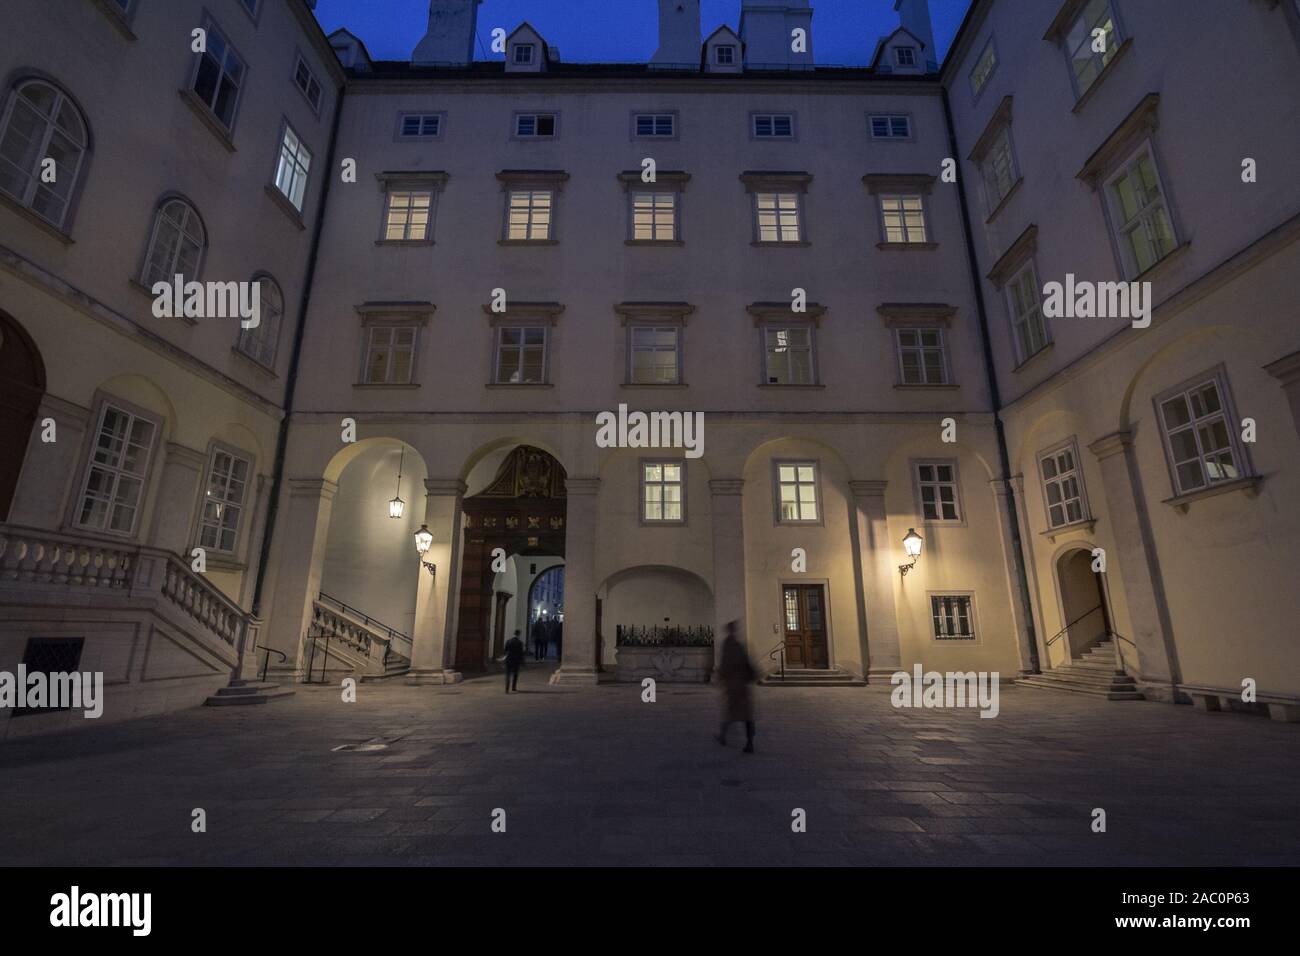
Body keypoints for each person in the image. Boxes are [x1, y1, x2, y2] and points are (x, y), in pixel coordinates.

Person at [716, 620, 757, 753]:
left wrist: (721, 679)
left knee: (733, 713)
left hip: (734, 686)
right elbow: (747, 663)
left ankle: (726, 736)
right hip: (740, 686)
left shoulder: (728, 646)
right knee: (744, 716)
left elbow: (724, 665)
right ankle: (748, 742)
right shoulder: (736, 646)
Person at [504, 629, 525, 693]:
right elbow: (521, 653)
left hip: (509, 659)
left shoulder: (508, 641)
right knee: (515, 674)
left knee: (508, 674)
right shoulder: (520, 643)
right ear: (519, 634)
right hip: (516, 660)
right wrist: (523, 662)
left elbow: (505, 650)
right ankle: (513, 687)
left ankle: (507, 688)